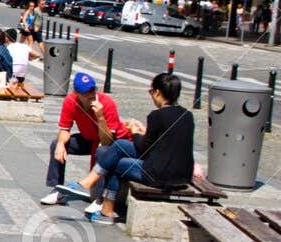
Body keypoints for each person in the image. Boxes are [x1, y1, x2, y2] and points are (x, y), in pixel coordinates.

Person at [58, 72, 194, 224]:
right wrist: (145, 132)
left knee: (117, 163)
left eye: (151, 91)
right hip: (183, 174)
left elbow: (144, 149)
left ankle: (104, 208)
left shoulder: (157, 115)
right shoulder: (187, 115)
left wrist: (135, 132)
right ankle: (90, 186)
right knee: (120, 145)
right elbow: (167, 141)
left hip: (160, 174)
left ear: (157, 92)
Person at [40, 70, 132, 206]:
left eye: (93, 90)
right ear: (77, 93)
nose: (91, 95)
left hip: (113, 141)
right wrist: (60, 143)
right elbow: (65, 129)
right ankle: (56, 189)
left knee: (103, 152)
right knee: (56, 144)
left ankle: (99, 198)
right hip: (89, 138)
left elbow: (106, 140)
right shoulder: (70, 101)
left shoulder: (107, 103)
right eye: (86, 93)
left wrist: (100, 116)